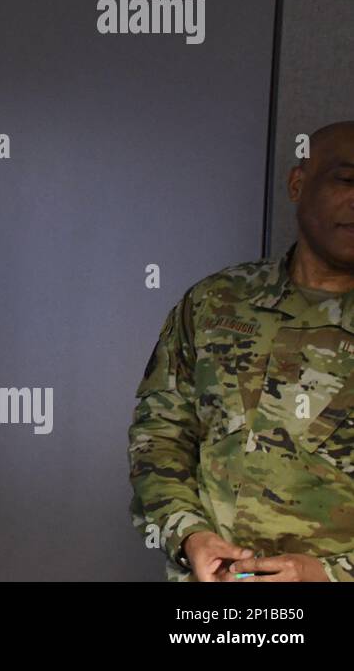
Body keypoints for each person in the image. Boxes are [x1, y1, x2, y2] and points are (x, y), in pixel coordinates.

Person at [129, 120, 354, 582]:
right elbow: (161, 434)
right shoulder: (216, 301)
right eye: (346, 180)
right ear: (298, 183)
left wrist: (330, 575)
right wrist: (189, 535)